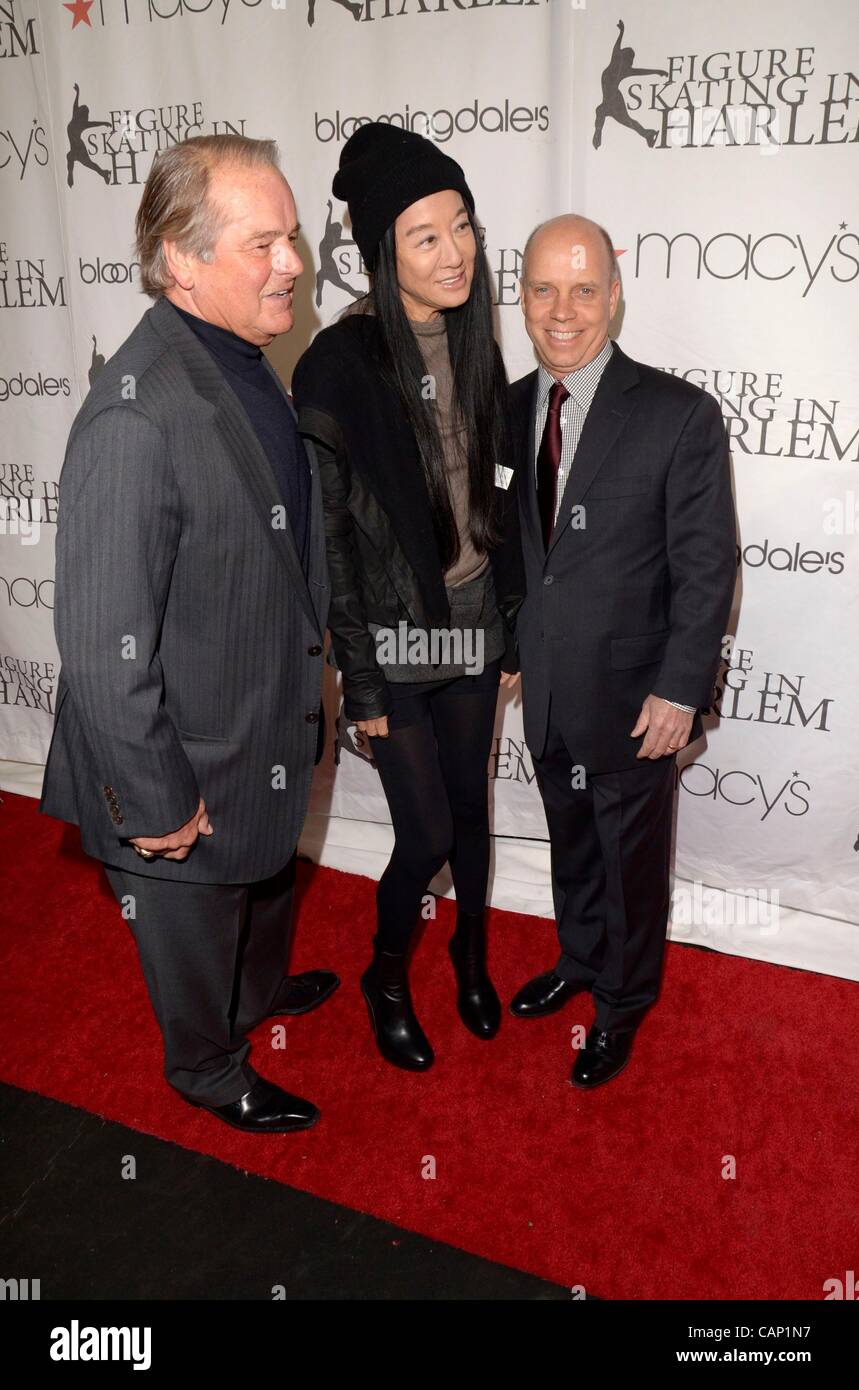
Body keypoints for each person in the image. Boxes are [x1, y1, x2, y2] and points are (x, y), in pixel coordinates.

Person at [40, 135, 337, 1133]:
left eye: (291, 236)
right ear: (182, 258)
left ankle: (251, 1001)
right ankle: (209, 1066)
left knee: (255, 884)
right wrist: (153, 800)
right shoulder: (137, 413)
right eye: (265, 244)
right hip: (180, 762)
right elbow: (98, 639)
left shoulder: (235, 357)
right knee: (193, 917)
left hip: (249, 729)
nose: (294, 262)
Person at [292, 123, 525, 1071]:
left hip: (473, 627)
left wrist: (506, 626)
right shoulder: (337, 369)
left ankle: (469, 957)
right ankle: (386, 975)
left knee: (469, 811)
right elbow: (333, 548)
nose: (454, 250)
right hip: (395, 642)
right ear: (382, 254)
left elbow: (499, 497)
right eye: (424, 235)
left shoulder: (476, 344)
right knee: (423, 829)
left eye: (461, 225)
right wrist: (367, 686)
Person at [508, 214, 736, 1088]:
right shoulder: (511, 406)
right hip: (550, 687)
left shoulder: (677, 415)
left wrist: (680, 691)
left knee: (630, 860)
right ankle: (579, 957)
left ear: (615, 295)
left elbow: (706, 566)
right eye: (542, 289)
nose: (561, 310)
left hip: (639, 697)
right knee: (570, 839)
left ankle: (621, 1005)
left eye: (583, 288)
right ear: (521, 296)